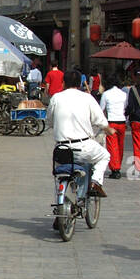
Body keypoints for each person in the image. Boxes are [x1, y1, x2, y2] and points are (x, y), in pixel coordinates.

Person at [46, 66, 112, 195]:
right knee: (105, 156)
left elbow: (49, 121)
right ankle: (96, 182)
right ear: (80, 83)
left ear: (63, 83)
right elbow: (101, 121)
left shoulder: (56, 98)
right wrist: (107, 128)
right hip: (84, 147)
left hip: (62, 148)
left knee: (61, 171)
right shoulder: (87, 98)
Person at [100, 72, 129, 178]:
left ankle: (115, 169)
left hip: (111, 122)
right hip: (122, 122)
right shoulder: (123, 94)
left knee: (112, 146)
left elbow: (101, 109)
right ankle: (118, 165)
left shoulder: (106, 94)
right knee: (120, 145)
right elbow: (125, 107)